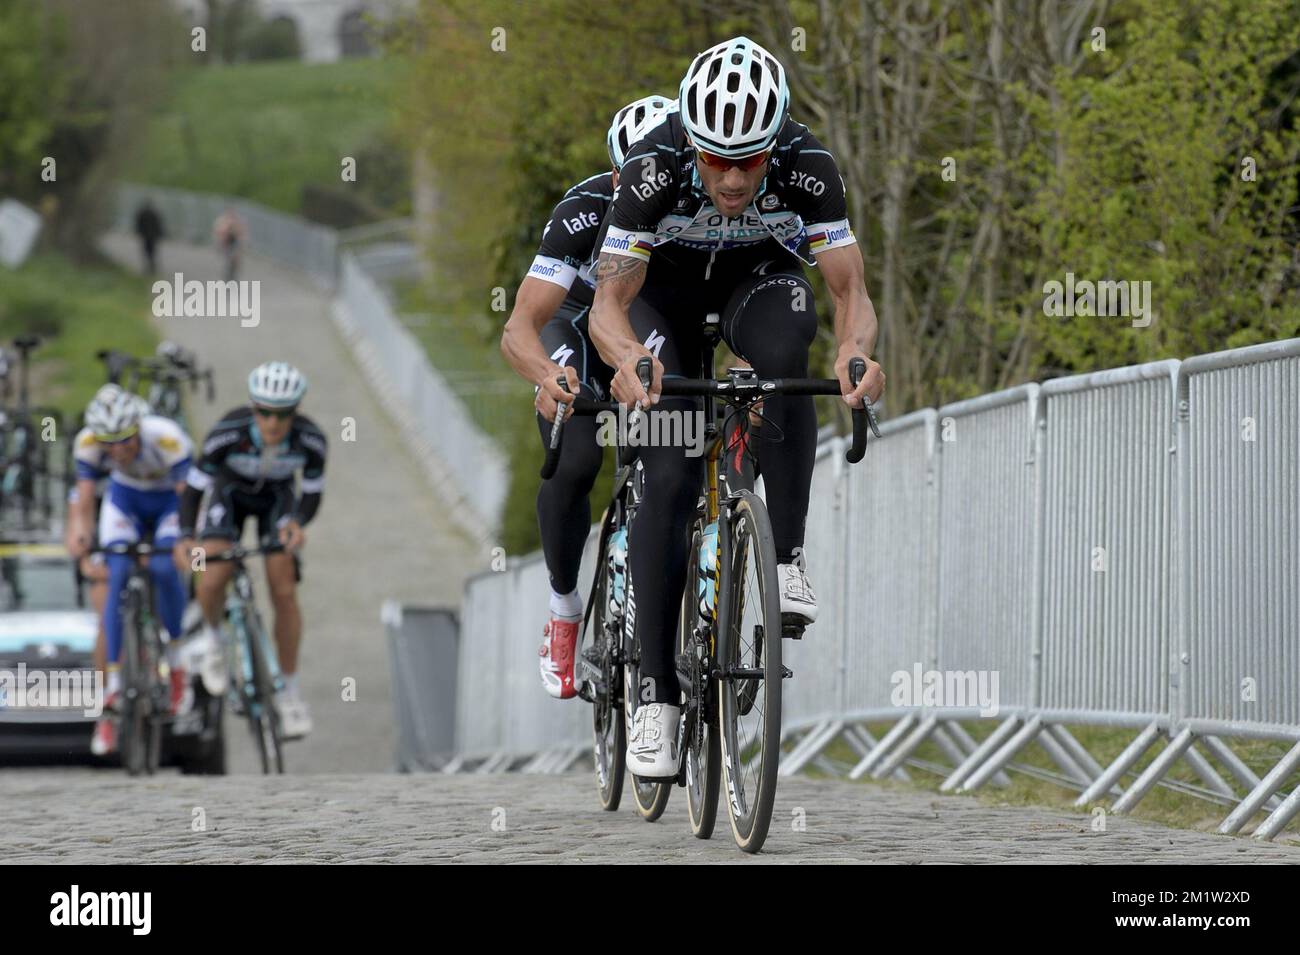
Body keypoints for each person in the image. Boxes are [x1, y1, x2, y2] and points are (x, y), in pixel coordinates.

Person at [588, 36, 887, 776]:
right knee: (672, 470)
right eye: (716, 158)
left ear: (773, 145)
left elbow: (850, 293)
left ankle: (784, 556)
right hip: (665, 299)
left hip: (760, 279)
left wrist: (857, 357)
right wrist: (628, 360)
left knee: (786, 364)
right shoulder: (653, 168)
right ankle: (655, 693)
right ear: (690, 139)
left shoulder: (808, 165)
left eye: (748, 161)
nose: (730, 177)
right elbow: (607, 303)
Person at [501, 94, 677, 701]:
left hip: (644, 327)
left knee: (681, 426)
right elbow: (520, 326)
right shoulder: (584, 208)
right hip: (576, 325)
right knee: (576, 455)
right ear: (613, 174)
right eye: (633, 179)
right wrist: (545, 376)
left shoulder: (696, 204)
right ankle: (563, 607)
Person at [174, 361, 326, 739]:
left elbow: (310, 494)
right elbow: (194, 489)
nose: (272, 423)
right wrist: (185, 537)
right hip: (230, 493)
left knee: (284, 589)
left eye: (283, 414)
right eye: (264, 412)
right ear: (252, 408)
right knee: (211, 577)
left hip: (276, 498)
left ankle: (289, 690)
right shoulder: (227, 432)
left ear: (297, 411)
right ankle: (213, 639)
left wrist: (297, 525)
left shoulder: (311, 440)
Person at [67, 385, 195, 756]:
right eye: (110, 443)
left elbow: (190, 495)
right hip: (125, 501)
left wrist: (187, 541)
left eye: (125, 440)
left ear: (139, 428)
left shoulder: (167, 437)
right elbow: (85, 498)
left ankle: (175, 665)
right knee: (117, 573)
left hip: (169, 502)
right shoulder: (88, 443)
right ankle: (114, 685)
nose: (118, 450)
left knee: (163, 567)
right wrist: (83, 543)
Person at [212, 206, 247, 281]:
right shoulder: (222, 221)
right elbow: (218, 233)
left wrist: (242, 244)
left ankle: (232, 277)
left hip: (235, 242)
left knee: (235, 261)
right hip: (226, 243)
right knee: (229, 260)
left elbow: (241, 233)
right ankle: (228, 278)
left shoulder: (237, 221)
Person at [134, 201, 164, 275]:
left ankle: (150, 266)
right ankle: (152, 266)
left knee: (147, 251)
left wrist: (139, 232)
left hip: (146, 235)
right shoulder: (154, 214)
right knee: (152, 251)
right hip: (152, 236)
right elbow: (159, 225)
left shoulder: (143, 213)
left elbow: (139, 224)